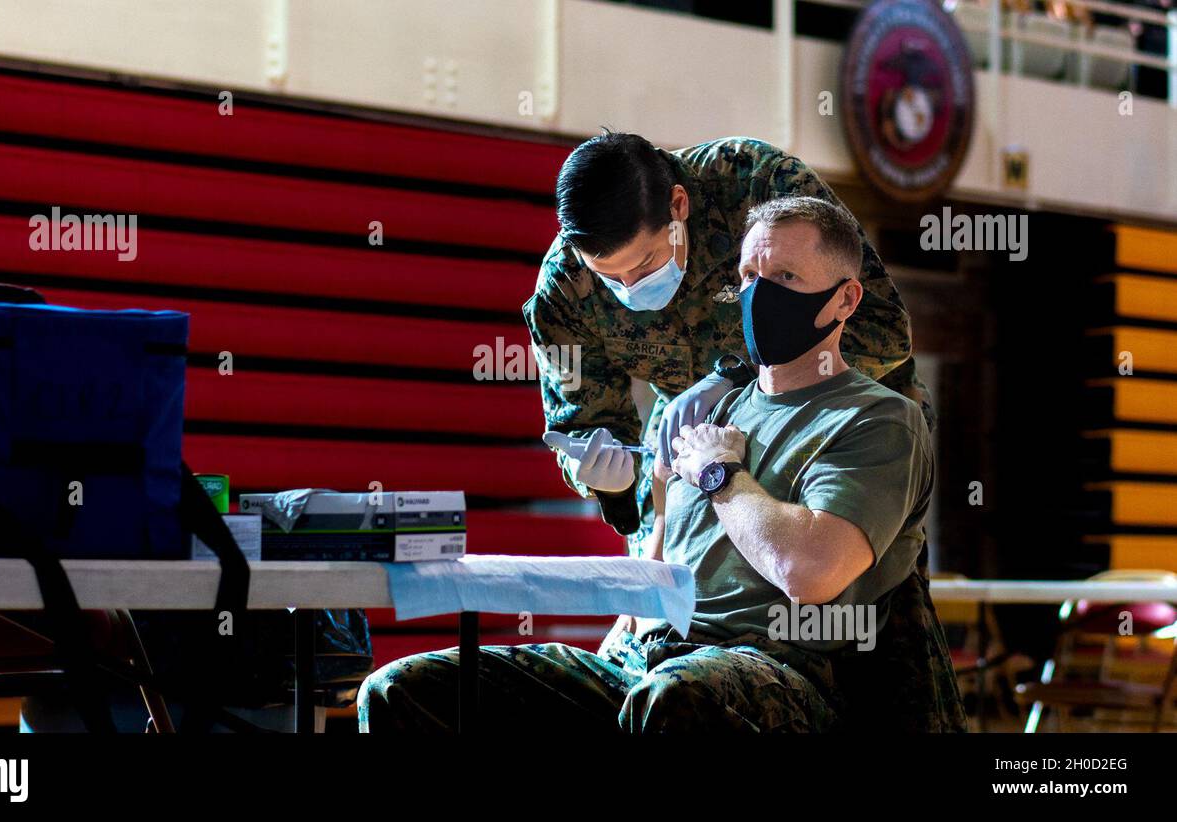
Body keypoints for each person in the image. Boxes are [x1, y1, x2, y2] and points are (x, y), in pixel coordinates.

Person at [358, 196, 964, 733]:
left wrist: (720, 476)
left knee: (675, 700)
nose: (760, 294)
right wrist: (612, 652)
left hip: (777, 666)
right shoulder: (707, 411)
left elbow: (810, 572)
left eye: (785, 276)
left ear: (845, 299)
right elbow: (656, 572)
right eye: (750, 275)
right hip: (650, 660)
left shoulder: (876, 419)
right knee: (405, 690)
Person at [523, 132, 931, 555]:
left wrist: (734, 379)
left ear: (678, 205)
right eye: (611, 277)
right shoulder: (565, 287)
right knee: (663, 594)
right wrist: (605, 478)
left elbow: (883, 331)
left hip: (837, 426)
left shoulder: (754, 183)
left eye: (645, 263)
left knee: (857, 593)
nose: (631, 286)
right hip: (697, 447)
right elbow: (580, 425)